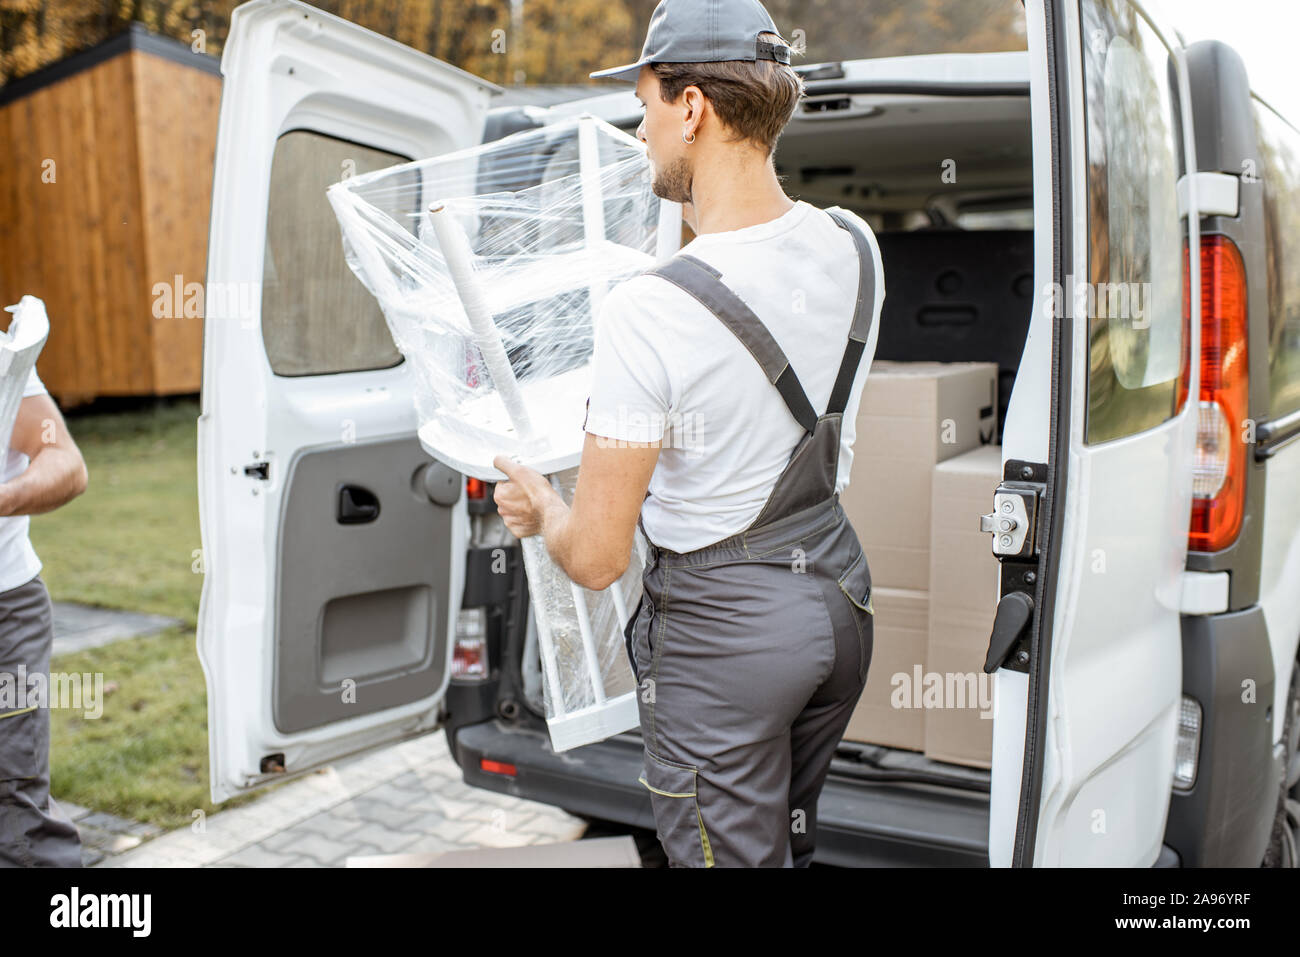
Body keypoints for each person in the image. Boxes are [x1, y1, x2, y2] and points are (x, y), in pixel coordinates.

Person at [491, 0, 885, 867]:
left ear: (694, 107)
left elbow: (597, 557)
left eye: (645, 106)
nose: (640, 132)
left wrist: (545, 508)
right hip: (838, 603)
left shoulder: (650, 309)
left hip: (728, 645)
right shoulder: (854, 246)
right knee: (785, 841)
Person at [0, 362, 89, 867]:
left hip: (4, 611)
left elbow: (64, 461)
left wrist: (3, 497)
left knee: (14, 803)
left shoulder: (4, 361)